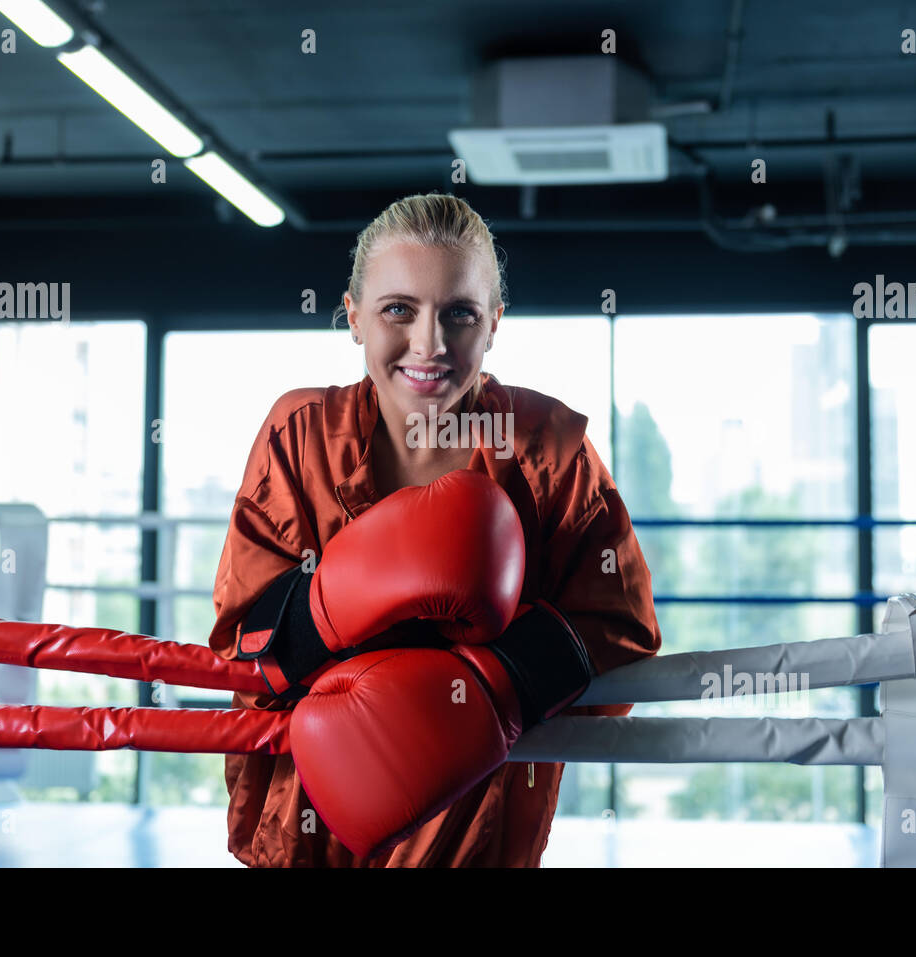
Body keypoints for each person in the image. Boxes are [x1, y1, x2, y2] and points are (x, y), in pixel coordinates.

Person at [207, 192, 661, 867]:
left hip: (478, 838)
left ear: (495, 323)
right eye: (399, 310)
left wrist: (496, 687)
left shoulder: (549, 451)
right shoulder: (300, 438)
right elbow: (240, 651)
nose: (431, 343)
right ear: (354, 317)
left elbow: (623, 635)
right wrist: (324, 611)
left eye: (460, 314)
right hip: (309, 831)